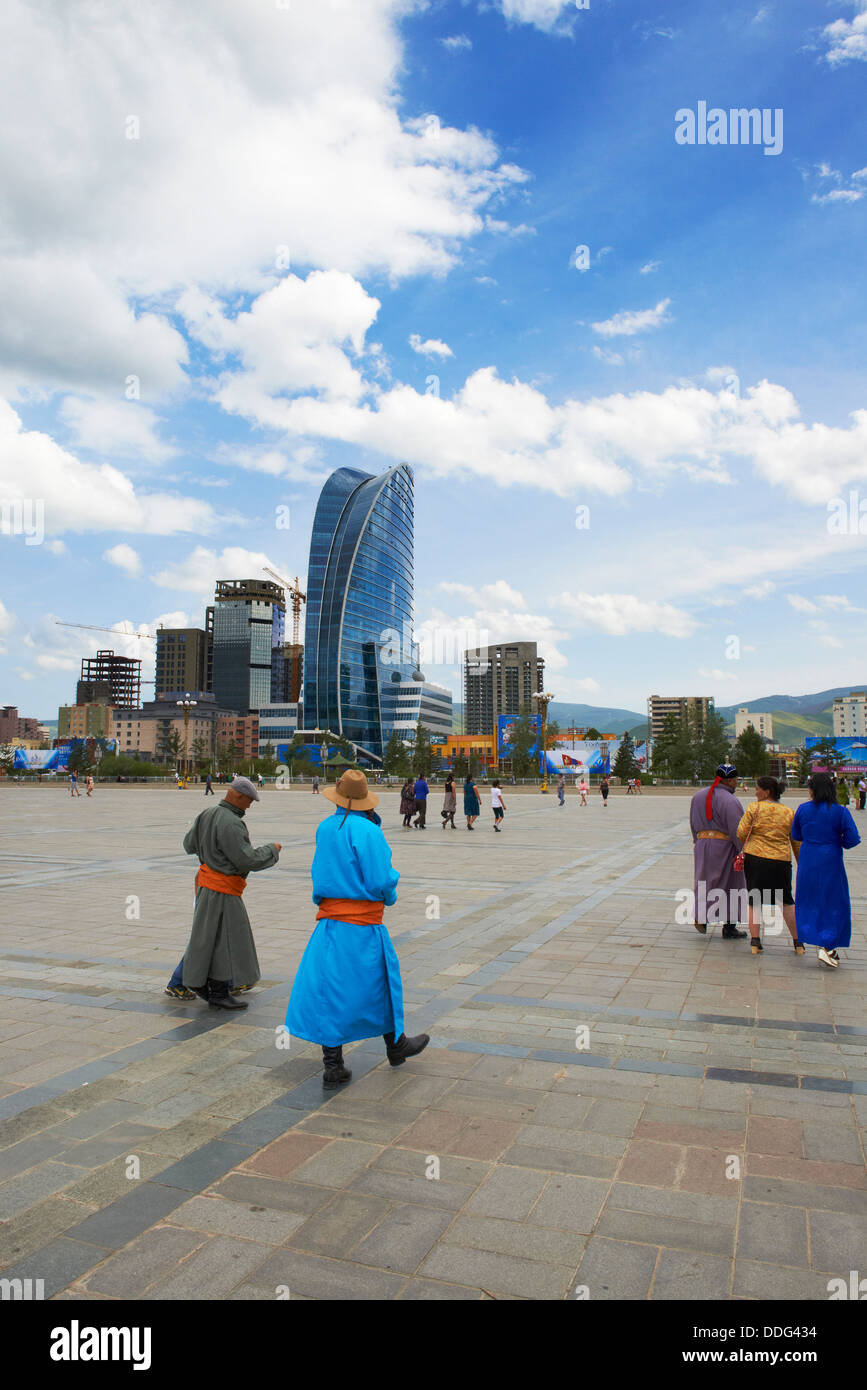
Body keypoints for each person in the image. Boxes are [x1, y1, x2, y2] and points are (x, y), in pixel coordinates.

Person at [286, 769, 429, 1087]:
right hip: (363, 926)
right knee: (381, 984)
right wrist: (391, 891)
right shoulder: (368, 831)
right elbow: (381, 880)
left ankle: (333, 1064)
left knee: (330, 990)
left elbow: (319, 875)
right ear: (366, 800)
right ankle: (396, 1045)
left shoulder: (325, 828)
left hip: (330, 925)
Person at [175, 775, 281, 1009]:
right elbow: (246, 860)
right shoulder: (231, 822)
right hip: (223, 889)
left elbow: (188, 845)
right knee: (226, 939)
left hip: (206, 885)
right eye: (249, 801)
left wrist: (209, 855)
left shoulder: (207, 814)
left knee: (208, 938)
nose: (250, 805)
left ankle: (209, 987)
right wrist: (271, 851)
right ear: (239, 796)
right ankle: (218, 991)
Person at [791, 772, 860, 969]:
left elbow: (796, 834)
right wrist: (836, 841)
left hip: (808, 859)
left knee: (809, 900)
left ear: (812, 790)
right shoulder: (840, 812)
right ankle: (828, 946)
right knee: (834, 902)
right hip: (830, 860)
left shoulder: (803, 809)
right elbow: (852, 839)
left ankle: (817, 939)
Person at [736, 776, 803, 957]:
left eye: (757, 789)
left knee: (754, 900)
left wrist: (753, 842)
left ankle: (755, 942)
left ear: (766, 792)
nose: (755, 792)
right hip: (781, 861)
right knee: (786, 901)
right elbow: (796, 841)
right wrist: (800, 862)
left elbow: (741, 832)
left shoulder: (754, 808)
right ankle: (798, 942)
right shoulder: (789, 812)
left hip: (756, 859)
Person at [690, 763, 747, 940]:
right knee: (732, 884)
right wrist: (742, 851)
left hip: (702, 844)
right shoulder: (730, 801)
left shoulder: (698, 796)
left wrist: (697, 842)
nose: (737, 783)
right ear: (730, 780)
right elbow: (737, 829)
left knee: (703, 881)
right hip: (724, 846)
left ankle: (701, 915)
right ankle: (729, 926)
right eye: (736, 780)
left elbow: (692, 822)